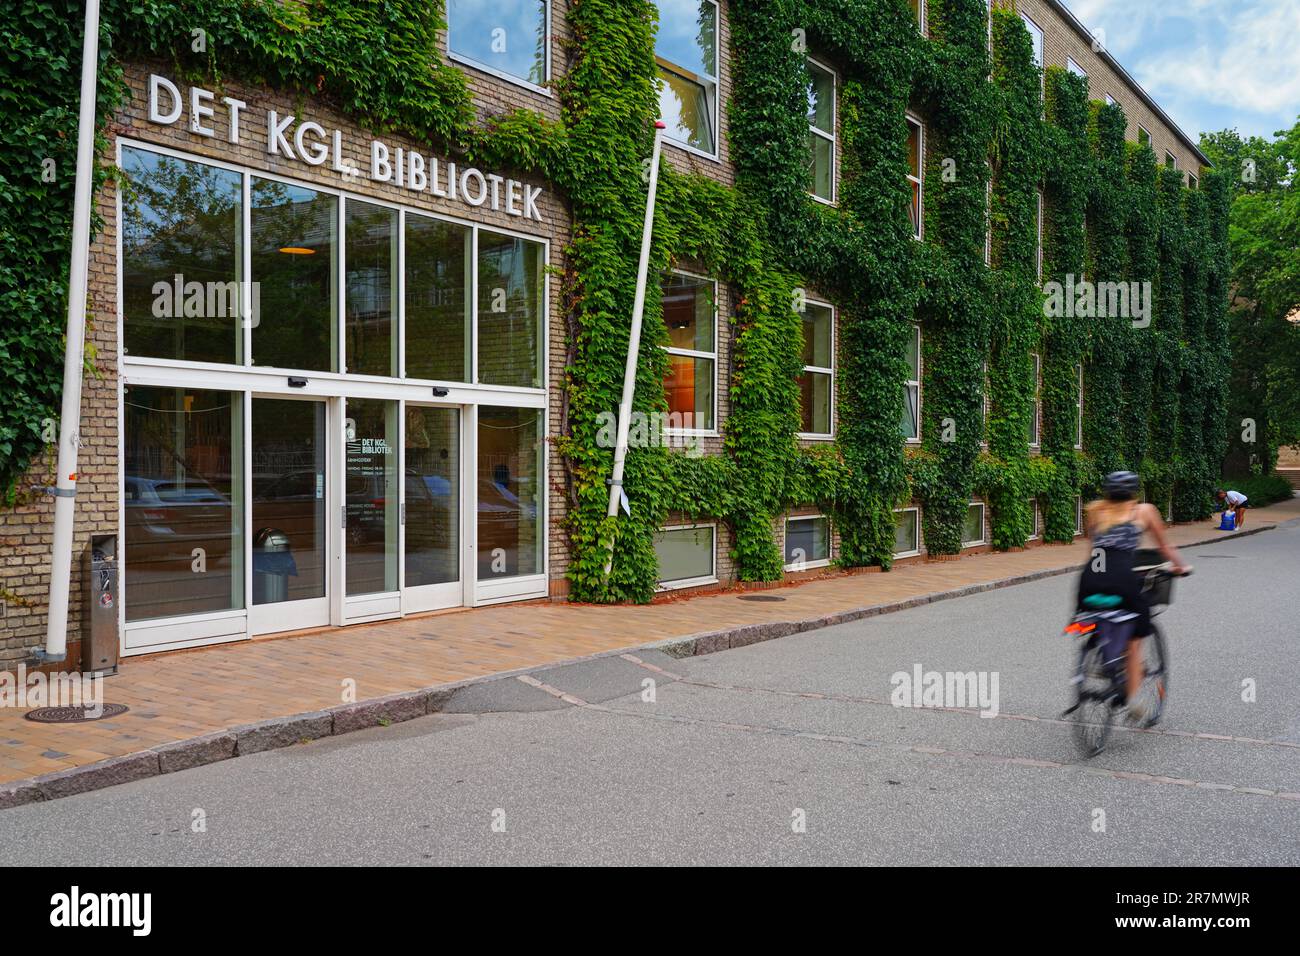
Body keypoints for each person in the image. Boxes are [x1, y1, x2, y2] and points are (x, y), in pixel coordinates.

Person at [1078, 471, 1190, 721]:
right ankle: (1132, 700)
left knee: (1099, 615)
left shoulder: (1095, 511)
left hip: (1090, 579)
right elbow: (1164, 547)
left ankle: (1099, 654)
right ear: (1134, 493)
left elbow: (1095, 550)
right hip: (1123, 580)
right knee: (1136, 635)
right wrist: (1181, 567)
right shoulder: (1145, 511)